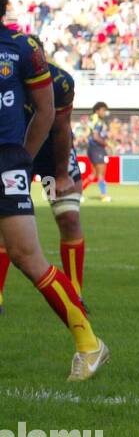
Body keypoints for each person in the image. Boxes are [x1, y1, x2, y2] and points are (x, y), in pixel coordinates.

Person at [0, 0, 108, 379]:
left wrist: (21, 160)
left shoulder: (22, 50)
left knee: (28, 256)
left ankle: (89, 343)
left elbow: (48, 114)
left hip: (9, 161)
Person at [0, 63, 86, 305]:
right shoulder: (8, 76)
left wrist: (60, 174)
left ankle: (75, 294)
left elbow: (61, 129)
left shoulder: (60, 82)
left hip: (51, 160)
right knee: (5, 224)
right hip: (13, 156)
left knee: (68, 217)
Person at [87, 101, 112, 203]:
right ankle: (104, 195)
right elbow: (96, 136)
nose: (104, 112)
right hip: (97, 148)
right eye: (103, 110)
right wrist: (107, 145)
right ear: (97, 111)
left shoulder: (93, 118)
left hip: (92, 148)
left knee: (93, 174)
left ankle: (78, 193)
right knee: (101, 174)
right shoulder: (98, 121)